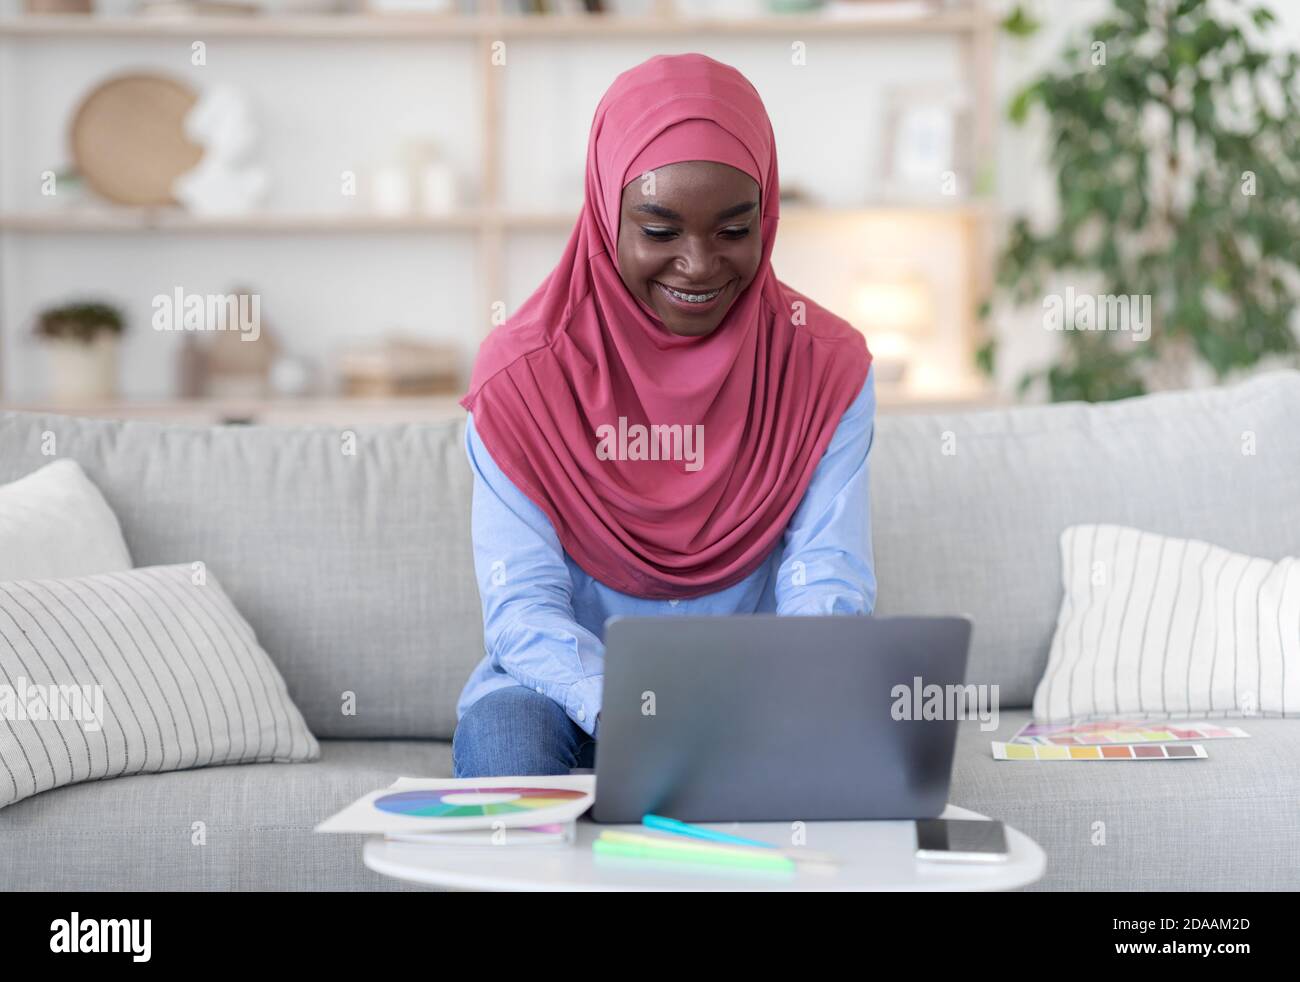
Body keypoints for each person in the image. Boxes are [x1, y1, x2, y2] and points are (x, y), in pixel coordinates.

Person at [452, 52, 875, 778]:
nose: (700, 264)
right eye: (659, 230)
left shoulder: (825, 366)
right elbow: (524, 613)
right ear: (605, 213)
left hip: (751, 699)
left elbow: (827, 583)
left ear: (766, 218)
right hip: (558, 693)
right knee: (507, 753)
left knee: (851, 770)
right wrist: (630, 714)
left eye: (734, 231)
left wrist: (768, 709)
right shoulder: (521, 378)